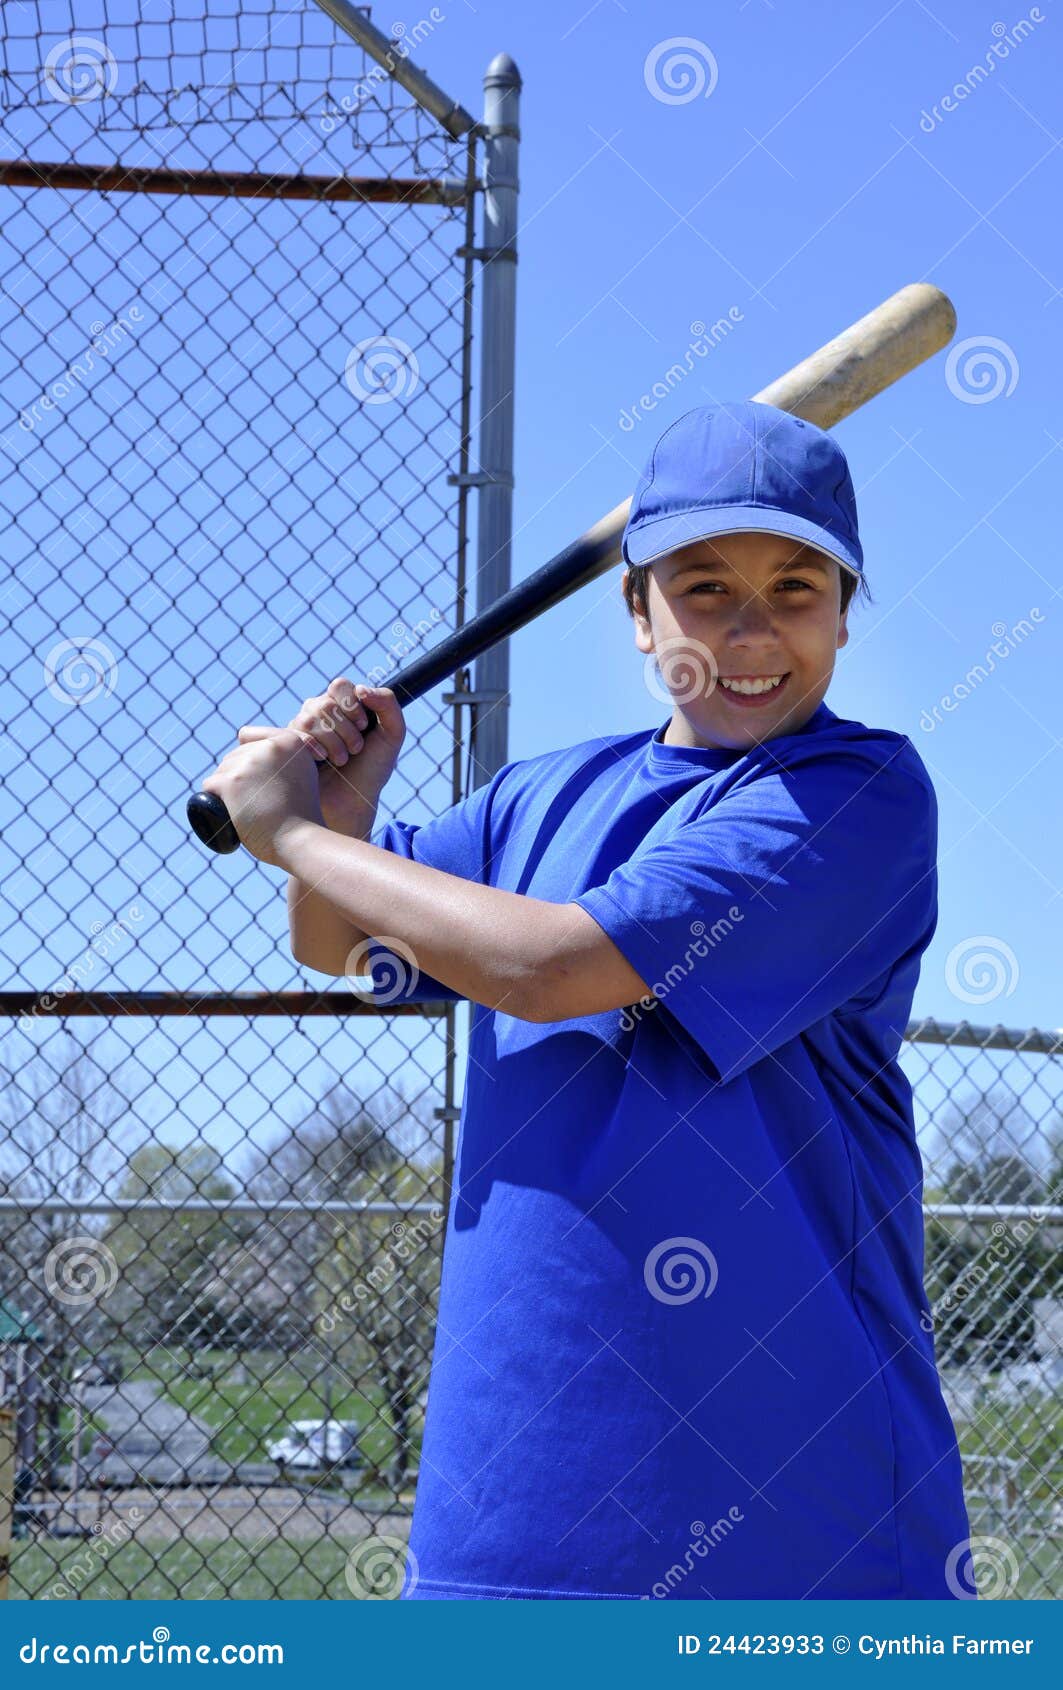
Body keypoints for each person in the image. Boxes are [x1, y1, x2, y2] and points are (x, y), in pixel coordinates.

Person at [202, 399, 974, 1600]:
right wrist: (342, 817)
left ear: (844, 613)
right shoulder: (532, 801)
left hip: (797, 1542)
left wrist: (294, 827)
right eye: (703, 586)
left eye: (797, 586)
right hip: (501, 1527)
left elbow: (551, 966)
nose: (750, 629)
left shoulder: (854, 794)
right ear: (633, 611)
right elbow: (341, 937)